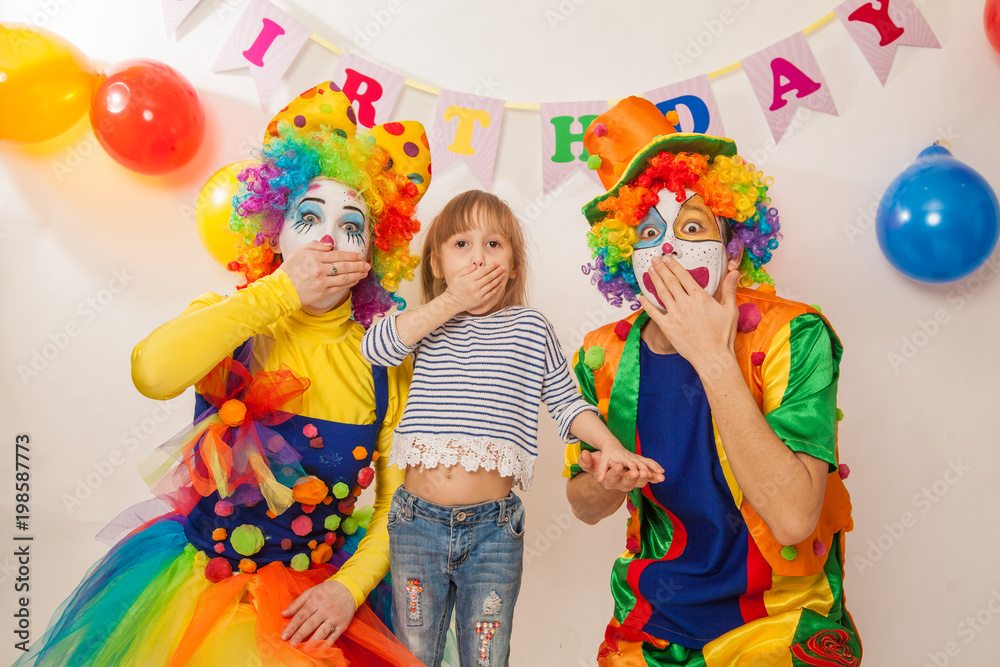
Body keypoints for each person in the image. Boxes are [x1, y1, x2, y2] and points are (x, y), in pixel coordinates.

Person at [16, 82, 432, 667]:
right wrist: (282, 291)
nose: (328, 236)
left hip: (315, 601)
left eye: (352, 226)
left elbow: (405, 501)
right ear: (276, 231)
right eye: (307, 218)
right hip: (195, 589)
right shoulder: (228, 320)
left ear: (373, 257)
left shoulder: (387, 361)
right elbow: (152, 372)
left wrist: (349, 587)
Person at [565, 97, 860, 666]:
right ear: (626, 256)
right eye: (647, 232)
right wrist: (606, 481)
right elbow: (581, 505)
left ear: (731, 245)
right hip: (652, 630)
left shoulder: (794, 335)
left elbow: (795, 517)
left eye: (691, 225)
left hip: (782, 625)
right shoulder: (603, 354)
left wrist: (714, 360)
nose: (668, 247)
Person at [360, 190, 664, 667]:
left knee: (487, 655)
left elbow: (567, 403)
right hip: (416, 524)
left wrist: (610, 445)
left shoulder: (529, 327)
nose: (478, 256)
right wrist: (449, 302)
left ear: (515, 266)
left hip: (493, 531)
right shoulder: (426, 325)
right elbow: (376, 349)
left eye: (493, 244)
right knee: (413, 654)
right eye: (461, 244)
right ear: (436, 263)